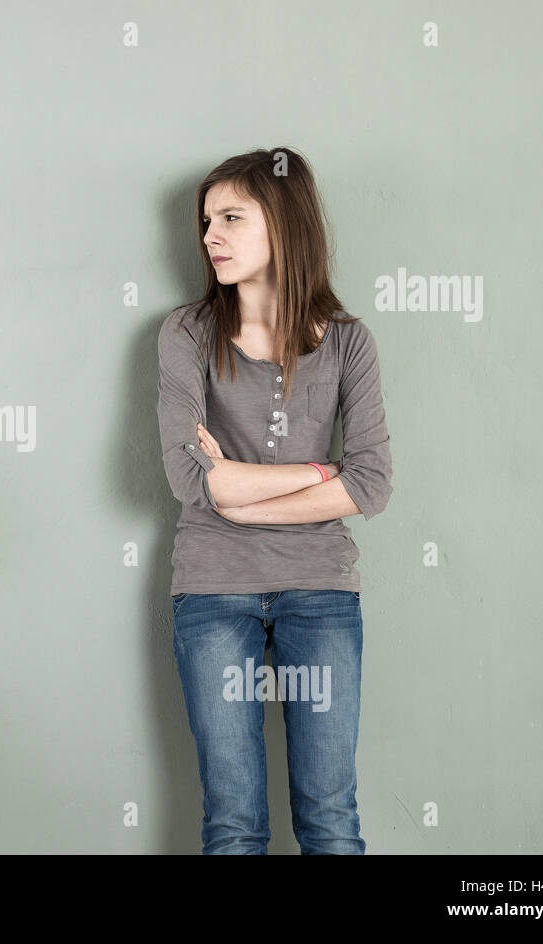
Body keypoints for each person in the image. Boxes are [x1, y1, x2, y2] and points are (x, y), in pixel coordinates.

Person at [157, 146, 393, 854]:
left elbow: (373, 483)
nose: (211, 237)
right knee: (233, 822)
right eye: (206, 222)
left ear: (284, 224)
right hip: (212, 591)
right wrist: (324, 476)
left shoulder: (349, 343)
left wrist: (242, 497)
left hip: (319, 589)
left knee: (329, 816)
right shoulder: (187, 334)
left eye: (232, 218)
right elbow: (190, 476)